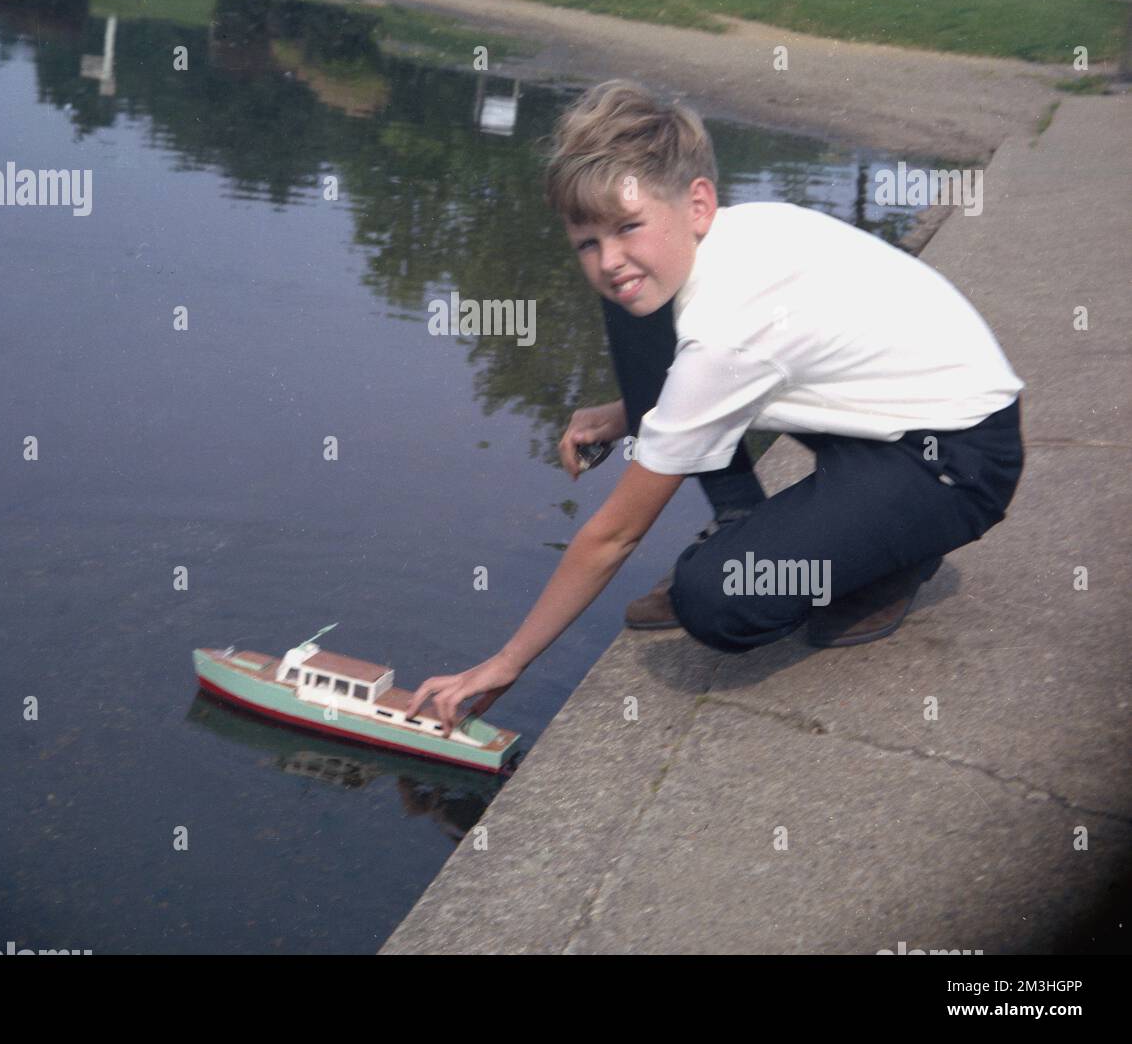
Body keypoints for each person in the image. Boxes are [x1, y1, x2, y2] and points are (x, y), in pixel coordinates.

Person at [406, 80, 1024, 732]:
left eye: (627, 227)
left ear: (698, 202)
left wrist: (506, 661)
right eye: (587, 242)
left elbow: (615, 535)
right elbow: (748, 362)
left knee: (717, 597)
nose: (608, 258)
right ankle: (754, 523)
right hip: (891, 417)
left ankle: (890, 564)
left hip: (958, 460)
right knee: (633, 306)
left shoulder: (730, 327)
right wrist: (627, 414)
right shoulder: (720, 242)